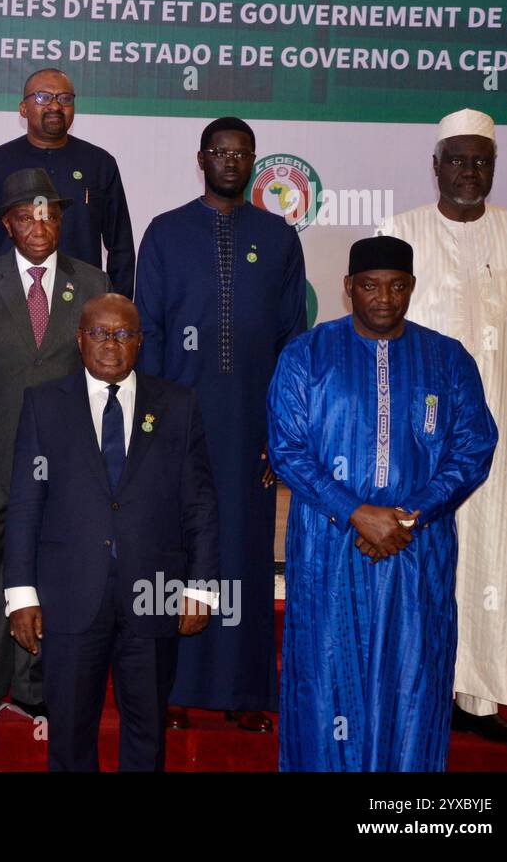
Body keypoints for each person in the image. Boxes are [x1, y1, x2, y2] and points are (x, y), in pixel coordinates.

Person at [268, 236, 497, 771]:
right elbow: (287, 448)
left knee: (413, 676)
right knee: (326, 678)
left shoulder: (447, 358)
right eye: (370, 285)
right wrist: (356, 512)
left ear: (412, 288)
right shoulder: (307, 354)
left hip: (417, 550)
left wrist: (409, 515)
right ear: (348, 289)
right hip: (331, 545)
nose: (384, 298)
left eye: (397, 286)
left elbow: (473, 446)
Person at [133, 117, 306, 733]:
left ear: (254, 162)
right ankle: (172, 685)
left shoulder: (278, 237)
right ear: (201, 158)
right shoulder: (165, 232)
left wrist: (281, 433)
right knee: (174, 548)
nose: (231, 162)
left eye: (243, 154)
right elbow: (147, 332)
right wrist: (149, 424)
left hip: (252, 429)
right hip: (177, 419)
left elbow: (293, 340)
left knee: (241, 551)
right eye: (221, 152)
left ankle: (242, 691)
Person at [381, 108, 507, 746]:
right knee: (420, 556)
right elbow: (378, 330)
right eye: (458, 159)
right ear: (436, 166)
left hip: (500, 427)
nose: (469, 171)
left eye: (481, 161)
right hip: (420, 433)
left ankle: (477, 701)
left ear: (494, 167)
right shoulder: (401, 229)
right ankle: (419, 691)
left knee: (493, 555)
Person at [5, 294, 219, 771]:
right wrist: (20, 594)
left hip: (154, 591)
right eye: (99, 333)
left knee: (147, 729)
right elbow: (24, 504)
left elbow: (200, 503)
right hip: (70, 593)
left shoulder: (177, 405)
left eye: (123, 334)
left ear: (140, 342)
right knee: (70, 729)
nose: (110, 344)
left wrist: (202, 587)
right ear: (80, 340)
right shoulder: (43, 404)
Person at [0, 168, 108, 718]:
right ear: (8, 225)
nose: (39, 224)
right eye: (25, 215)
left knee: (52, 571)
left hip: (66, 461)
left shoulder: (93, 283)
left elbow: (107, 375)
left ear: (60, 220)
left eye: (49, 213)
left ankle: (39, 689)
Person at [0, 68, 134, 297]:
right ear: (23, 108)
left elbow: (121, 247)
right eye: (43, 97)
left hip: (81, 302)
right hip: (6, 303)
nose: (55, 106)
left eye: (65, 98)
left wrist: (115, 305)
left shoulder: (99, 163)